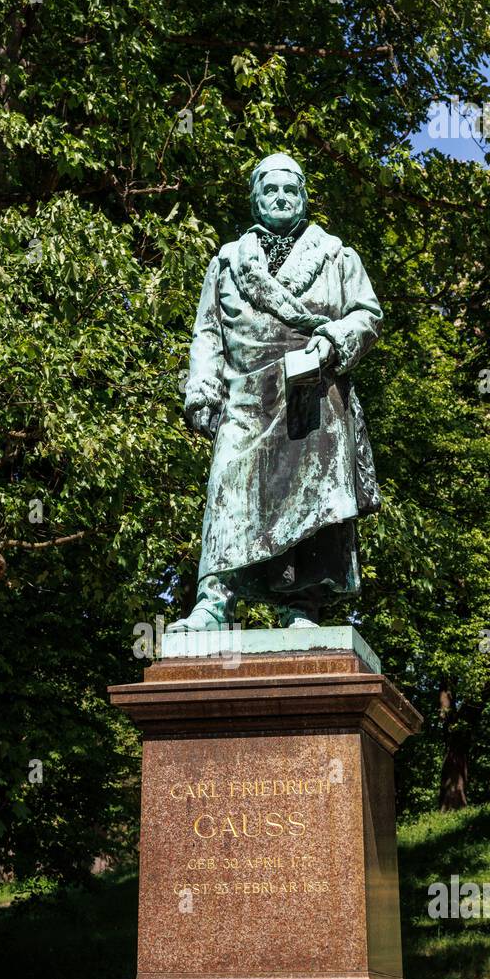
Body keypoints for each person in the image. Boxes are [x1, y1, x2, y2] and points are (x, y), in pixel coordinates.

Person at [170, 152, 383, 632]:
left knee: (309, 504)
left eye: (291, 190)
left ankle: (301, 606)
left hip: (311, 394)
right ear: (255, 200)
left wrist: (333, 337)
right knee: (227, 485)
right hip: (245, 397)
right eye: (271, 190)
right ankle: (213, 601)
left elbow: (367, 315)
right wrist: (202, 386)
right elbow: (207, 332)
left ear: (304, 197)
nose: (282, 198)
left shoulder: (336, 255)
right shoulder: (226, 261)